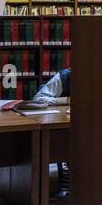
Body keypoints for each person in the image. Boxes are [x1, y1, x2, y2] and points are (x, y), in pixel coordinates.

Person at [33, 68, 71, 196]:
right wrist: (65, 100)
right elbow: (39, 98)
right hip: (65, 123)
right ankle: (67, 182)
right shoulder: (65, 76)